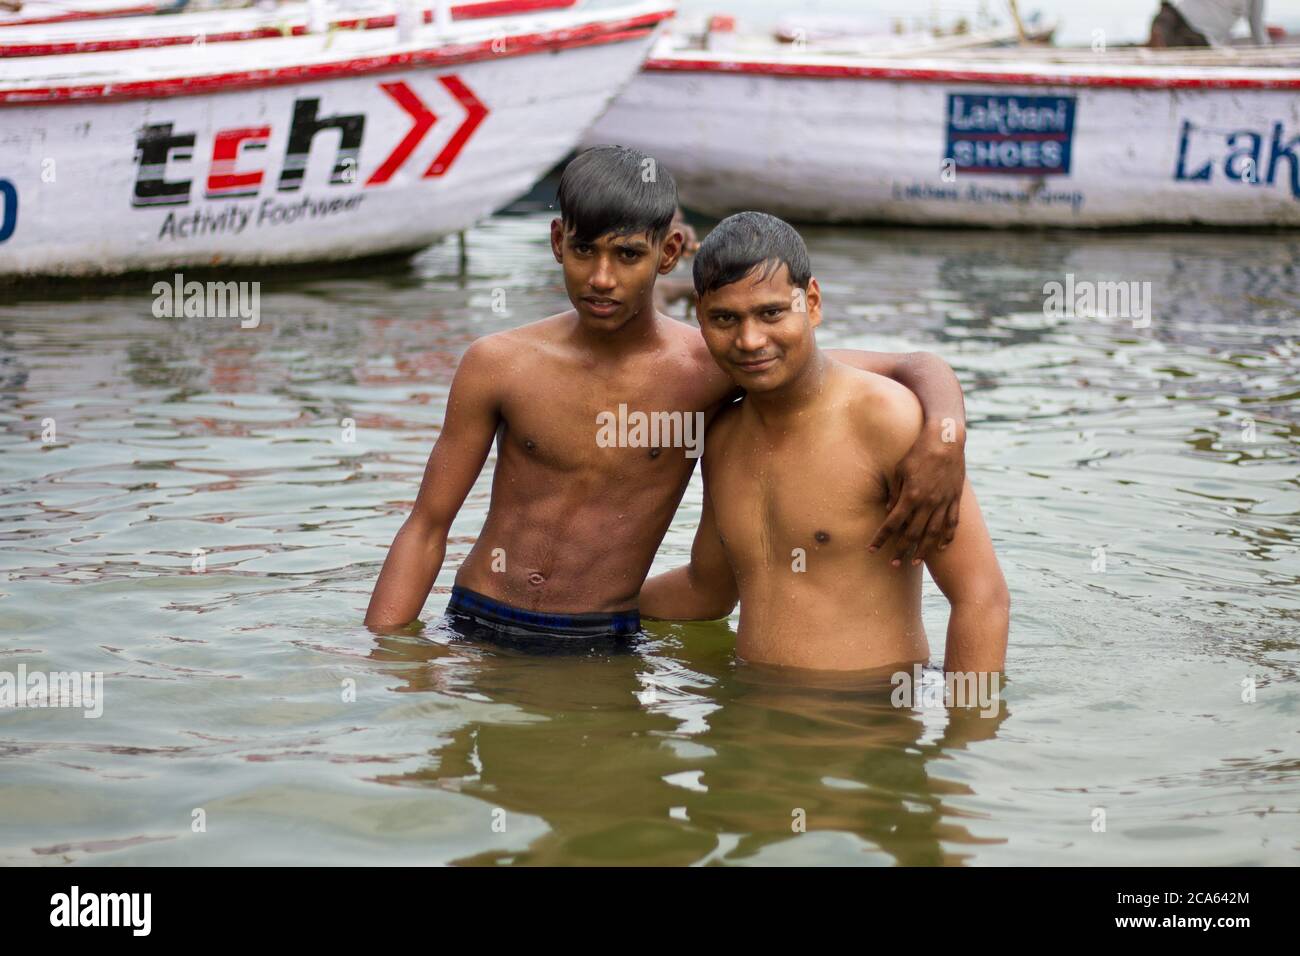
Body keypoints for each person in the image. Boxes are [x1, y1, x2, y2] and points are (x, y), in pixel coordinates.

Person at [365, 147, 970, 644]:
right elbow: (426, 527)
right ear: (557, 242)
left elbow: (910, 363)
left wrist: (945, 440)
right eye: (583, 252)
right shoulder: (497, 363)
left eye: (628, 255)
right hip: (479, 619)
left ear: (669, 253)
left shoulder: (713, 365)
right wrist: (385, 657)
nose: (602, 279)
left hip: (604, 636)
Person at [639, 212, 1009, 675]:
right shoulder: (723, 436)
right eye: (725, 319)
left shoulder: (888, 420)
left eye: (771, 313)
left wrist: (966, 737)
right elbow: (707, 590)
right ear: (701, 317)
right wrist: (589, 610)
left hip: (863, 725)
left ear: (811, 303)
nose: (750, 340)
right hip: (744, 722)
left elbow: (980, 597)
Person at [1149, 0, 1270, 47]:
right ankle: (1159, 44)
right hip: (1177, 20)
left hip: (1201, 40)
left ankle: (1160, 45)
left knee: (1167, 22)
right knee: (1166, 14)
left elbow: (1258, 33)